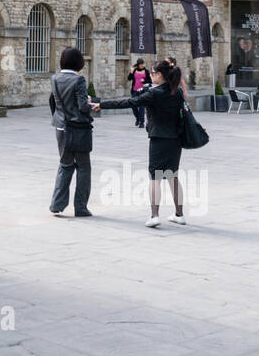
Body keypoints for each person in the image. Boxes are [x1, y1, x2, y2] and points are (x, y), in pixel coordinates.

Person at [92, 60, 186, 228]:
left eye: (152, 73)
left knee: (155, 177)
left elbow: (128, 102)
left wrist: (102, 104)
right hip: (175, 139)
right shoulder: (177, 92)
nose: (150, 76)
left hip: (158, 138)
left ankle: (155, 215)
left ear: (159, 75)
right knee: (173, 176)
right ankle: (179, 214)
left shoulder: (154, 94)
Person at [48, 47, 93, 217]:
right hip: (77, 128)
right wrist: (89, 100)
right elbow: (82, 106)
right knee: (83, 166)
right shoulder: (78, 80)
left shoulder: (55, 78)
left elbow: (52, 101)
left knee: (65, 164)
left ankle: (57, 204)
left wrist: (58, 117)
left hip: (61, 126)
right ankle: (80, 207)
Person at [126, 58, 150, 127]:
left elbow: (150, 81)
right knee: (133, 105)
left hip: (143, 91)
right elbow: (129, 78)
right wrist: (131, 71)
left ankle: (141, 122)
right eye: (141, 64)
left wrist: (144, 80)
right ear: (138, 65)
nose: (142, 65)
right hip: (134, 91)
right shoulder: (134, 71)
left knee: (142, 106)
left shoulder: (146, 71)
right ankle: (137, 118)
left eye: (143, 64)